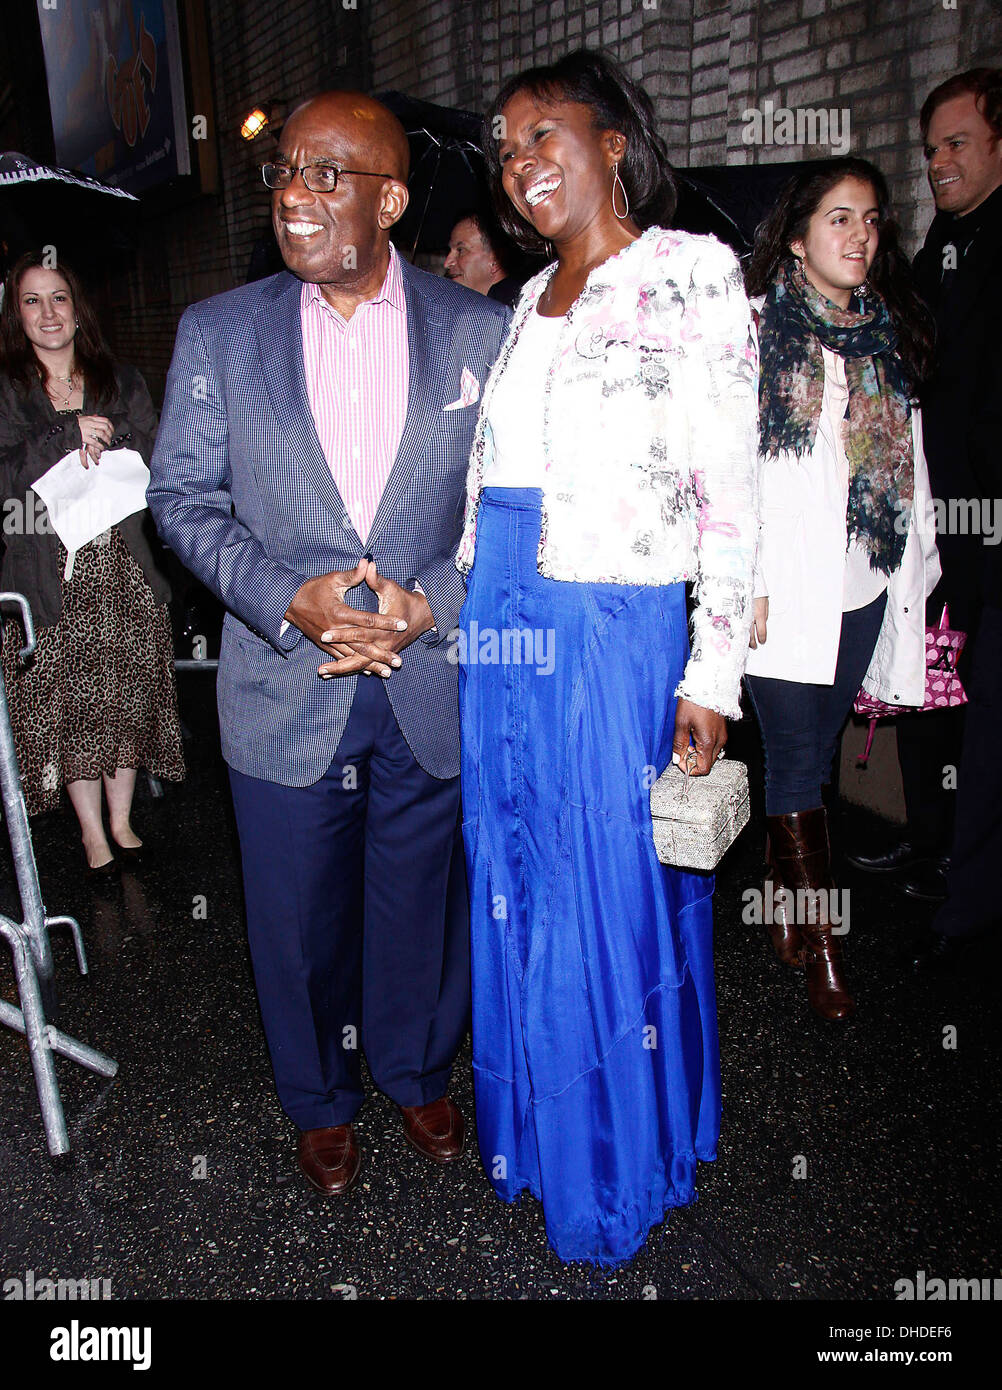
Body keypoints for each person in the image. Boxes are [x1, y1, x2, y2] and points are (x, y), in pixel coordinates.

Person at [148, 93, 511, 1197]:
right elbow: (180, 497)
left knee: (419, 897)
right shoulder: (219, 333)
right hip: (282, 676)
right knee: (297, 909)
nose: (295, 195)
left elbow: (510, 511)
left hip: (428, 676)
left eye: (327, 175)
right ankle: (317, 1096)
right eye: (285, 173)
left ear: (391, 199)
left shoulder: (482, 333)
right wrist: (283, 597)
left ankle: (410, 1067)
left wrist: (432, 603)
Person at [455, 50, 758, 1266]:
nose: (524, 162)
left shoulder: (692, 273)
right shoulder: (526, 302)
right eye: (507, 147)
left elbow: (729, 494)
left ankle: (617, 1163)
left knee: (602, 881)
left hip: (610, 618)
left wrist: (713, 671)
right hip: (505, 604)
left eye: (545, 133)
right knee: (511, 863)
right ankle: (536, 1134)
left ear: (613, 139)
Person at [743, 159, 940, 1018]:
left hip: (861, 582)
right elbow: (724, 470)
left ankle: (783, 889)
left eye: (871, 220)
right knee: (792, 759)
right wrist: (735, 583)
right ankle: (824, 944)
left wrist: (917, 572)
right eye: (839, 218)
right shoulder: (752, 332)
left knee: (814, 756)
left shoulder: (884, 335)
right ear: (795, 237)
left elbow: (910, 468)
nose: (861, 235)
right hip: (779, 586)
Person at [0, 251, 183, 876]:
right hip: (50, 574)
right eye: (32, 300)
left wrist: (115, 439)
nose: (48, 313)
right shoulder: (8, 390)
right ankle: (90, 834)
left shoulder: (121, 378)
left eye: (59, 298)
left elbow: (159, 455)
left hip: (125, 567)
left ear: (78, 310)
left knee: (127, 694)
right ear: (16, 314)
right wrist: (64, 435)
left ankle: (123, 819)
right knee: (73, 704)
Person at [906, 69, 1002, 967]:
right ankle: (935, 851)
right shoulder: (941, 241)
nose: (938, 162)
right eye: (930, 148)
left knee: (982, 710)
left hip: (991, 523)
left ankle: (969, 895)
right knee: (932, 679)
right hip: (938, 516)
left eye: (957, 144)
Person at [443, 207, 524, 306]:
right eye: (449, 251)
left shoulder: (515, 313)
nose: (447, 263)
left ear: (495, 260)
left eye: (460, 250)